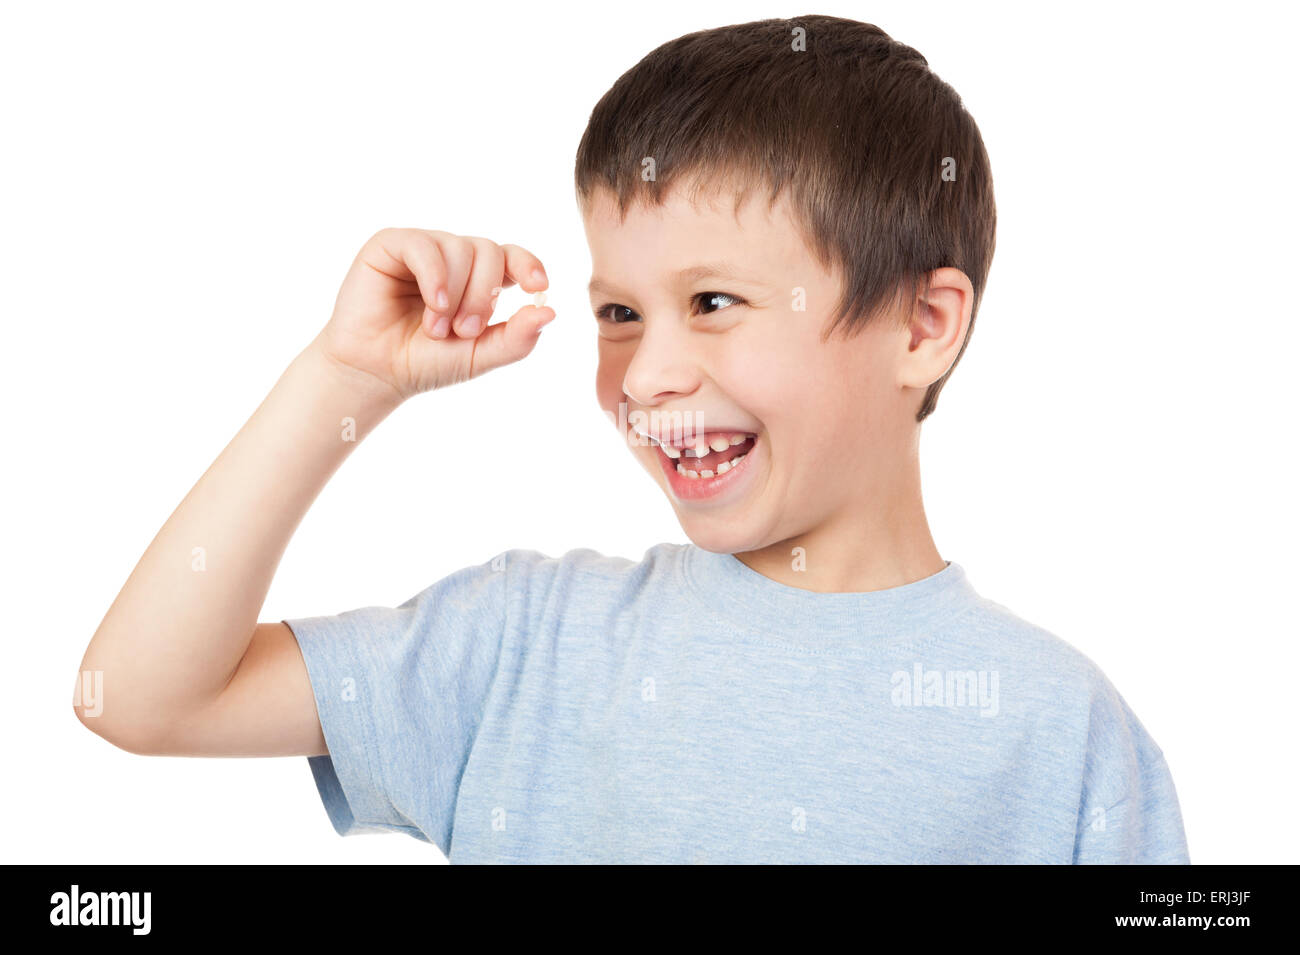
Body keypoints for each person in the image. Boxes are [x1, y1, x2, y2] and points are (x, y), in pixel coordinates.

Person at [75, 15, 1189, 864]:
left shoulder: (1059, 733)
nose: (646, 375)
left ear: (922, 326)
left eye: (713, 302)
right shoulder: (524, 642)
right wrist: (346, 379)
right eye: (619, 312)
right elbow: (134, 695)